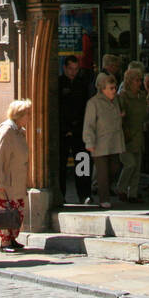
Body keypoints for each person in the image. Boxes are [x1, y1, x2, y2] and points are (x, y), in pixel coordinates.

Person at [0, 99, 31, 252]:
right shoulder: (7, 131)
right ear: (19, 115)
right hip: (7, 182)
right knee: (6, 210)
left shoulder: (20, 131)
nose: (30, 118)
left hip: (17, 180)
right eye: (27, 114)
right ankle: (5, 242)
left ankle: (12, 239)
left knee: (16, 211)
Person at [83, 73, 124, 208]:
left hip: (114, 141)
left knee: (115, 167)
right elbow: (89, 124)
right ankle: (104, 198)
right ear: (103, 89)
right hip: (100, 143)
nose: (114, 91)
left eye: (115, 87)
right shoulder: (93, 103)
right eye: (111, 88)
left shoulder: (116, 101)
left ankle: (102, 189)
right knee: (102, 171)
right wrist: (89, 142)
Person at [58, 55, 91, 204]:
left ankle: (84, 194)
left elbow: (85, 108)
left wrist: (78, 127)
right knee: (60, 165)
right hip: (62, 131)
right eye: (70, 69)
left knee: (82, 163)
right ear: (65, 68)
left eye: (76, 69)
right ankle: (60, 194)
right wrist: (65, 128)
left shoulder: (82, 84)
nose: (73, 72)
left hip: (79, 130)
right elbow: (56, 108)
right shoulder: (58, 83)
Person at [116, 68, 147, 203]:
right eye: (136, 80)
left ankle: (132, 194)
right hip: (125, 135)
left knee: (137, 166)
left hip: (138, 134)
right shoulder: (123, 97)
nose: (139, 83)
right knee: (130, 164)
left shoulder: (141, 97)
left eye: (140, 80)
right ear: (129, 81)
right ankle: (121, 188)